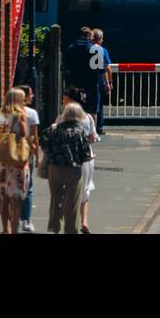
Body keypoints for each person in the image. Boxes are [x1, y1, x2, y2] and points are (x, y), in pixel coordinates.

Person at [44, 98, 93, 234]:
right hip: (73, 170)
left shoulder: (54, 129)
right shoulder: (80, 132)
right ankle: (70, 230)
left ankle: (55, 228)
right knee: (72, 203)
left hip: (55, 168)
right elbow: (85, 155)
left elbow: (45, 145)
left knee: (56, 199)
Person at [0, 87, 31, 234]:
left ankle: (4, 229)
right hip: (16, 162)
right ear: (19, 100)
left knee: (5, 198)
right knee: (16, 198)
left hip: (2, 161)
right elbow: (25, 134)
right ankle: (14, 230)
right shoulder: (20, 115)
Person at [66, 26, 102, 127]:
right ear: (90, 35)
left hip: (76, 83)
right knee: (92, 110)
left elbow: (67, 65)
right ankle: (92, 133)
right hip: (91, 83)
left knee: (77, 107)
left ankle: (76, 129)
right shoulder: (95, 48)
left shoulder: (71, 47)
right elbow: (100, 68)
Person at [75, 98, 100, 233]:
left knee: (69, 191)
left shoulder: (62, 118)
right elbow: (92, 138)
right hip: (86, 157)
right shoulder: (88, 118)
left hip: (69, 158)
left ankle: (70, 221)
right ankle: (84, 221)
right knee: (85, 190)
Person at [18, 84, 40, 232]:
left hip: (10, 155)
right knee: (28, 187)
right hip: (26, 155)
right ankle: (26, 220)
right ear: (24, 96)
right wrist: (37, 156)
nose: (32, 96)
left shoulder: (6, 112)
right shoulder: (32, 113)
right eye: (30, 94)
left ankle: (11, 221)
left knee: (11, 188)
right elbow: (35, 137)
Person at [91, 28, 112, 136]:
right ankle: (98, 128)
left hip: (89, 79)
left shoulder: (88, 49)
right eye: (102, 38)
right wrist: (109, 82)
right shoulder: (102, 50)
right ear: (99, 39)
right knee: (99, 106)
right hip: (99, 81)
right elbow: (107, 68)